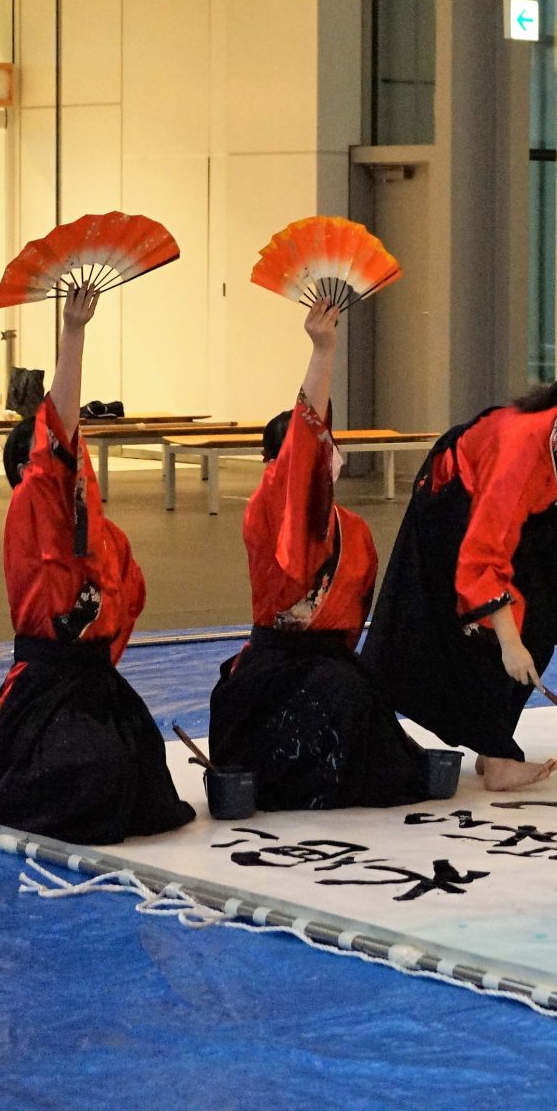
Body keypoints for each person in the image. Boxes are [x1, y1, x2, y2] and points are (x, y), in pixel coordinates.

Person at [0, 284, 194, 843]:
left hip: (88, 679)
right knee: (90, 773)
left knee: (132, 777)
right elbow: (60, 438)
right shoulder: (34, 505)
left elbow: (128, 598)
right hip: (48, 687)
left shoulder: (99, 533)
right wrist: (73, 334)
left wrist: (95, 659)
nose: (74, 462)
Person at [363, 357, 557, 792]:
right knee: (488, 631)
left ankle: (495, 747)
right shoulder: (518, 450)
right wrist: (509, 643)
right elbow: (482, 559)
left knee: (542, 615)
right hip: (455, 500)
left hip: (524, 512)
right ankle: (498, 754)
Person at [207, 298, 432, 810]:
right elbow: (299, 466)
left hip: (325, 665)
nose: (320, 462)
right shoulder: (267, 509)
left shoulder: (354, 529)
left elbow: (354, 613)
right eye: (307, 457)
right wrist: (323, 352)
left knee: (351, 693)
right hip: (277, 667)